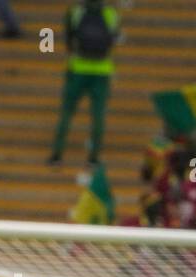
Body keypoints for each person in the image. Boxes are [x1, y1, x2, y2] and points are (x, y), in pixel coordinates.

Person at [47, 0, 119, 166]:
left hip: (78, 67)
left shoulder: (75, 12)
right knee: (98, 116)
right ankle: (93, 157)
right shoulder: (111, 13)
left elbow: (69, 39)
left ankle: (57, 154)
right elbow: (113, 39)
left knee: (67, 112)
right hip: (103, 69)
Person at [142, 148, 196, 230]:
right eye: (176, 163)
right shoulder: (164, 180)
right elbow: (151, 204)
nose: (179, 166)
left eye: (183, 163)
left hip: (192, 231)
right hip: (169, 231)